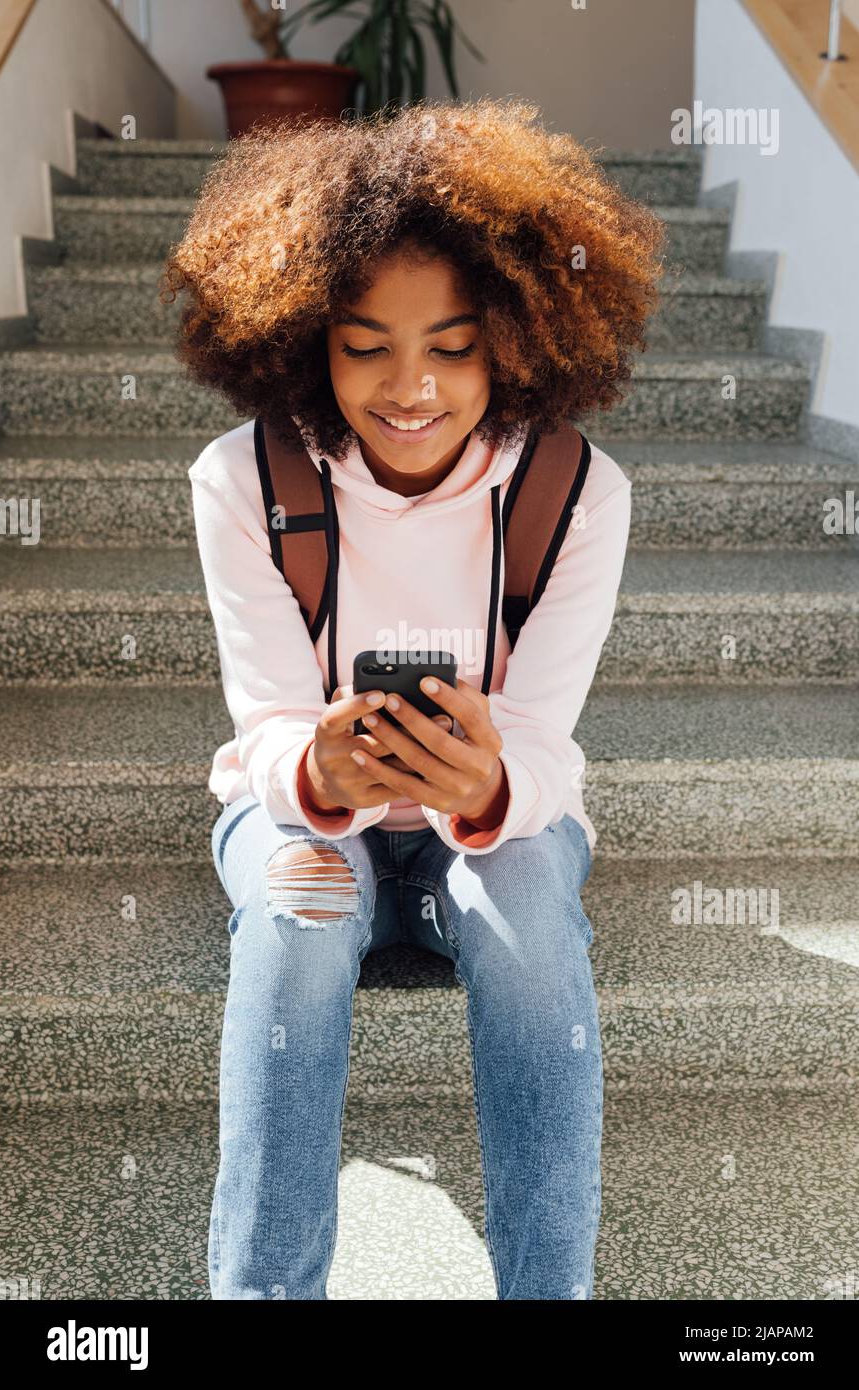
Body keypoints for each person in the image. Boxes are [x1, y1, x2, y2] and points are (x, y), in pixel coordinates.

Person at [164, 98, 666, 1300]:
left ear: (519, 340)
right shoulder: (244, 478)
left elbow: (538, 736)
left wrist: (488, 783)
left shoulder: (575, 493)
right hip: (306, 823)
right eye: (363, 346)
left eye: (453, 346)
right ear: (304, 341)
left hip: (490, 831)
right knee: (298, 911)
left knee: (527, 913)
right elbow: (268, 719)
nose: (409, 388)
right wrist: (316, 770)